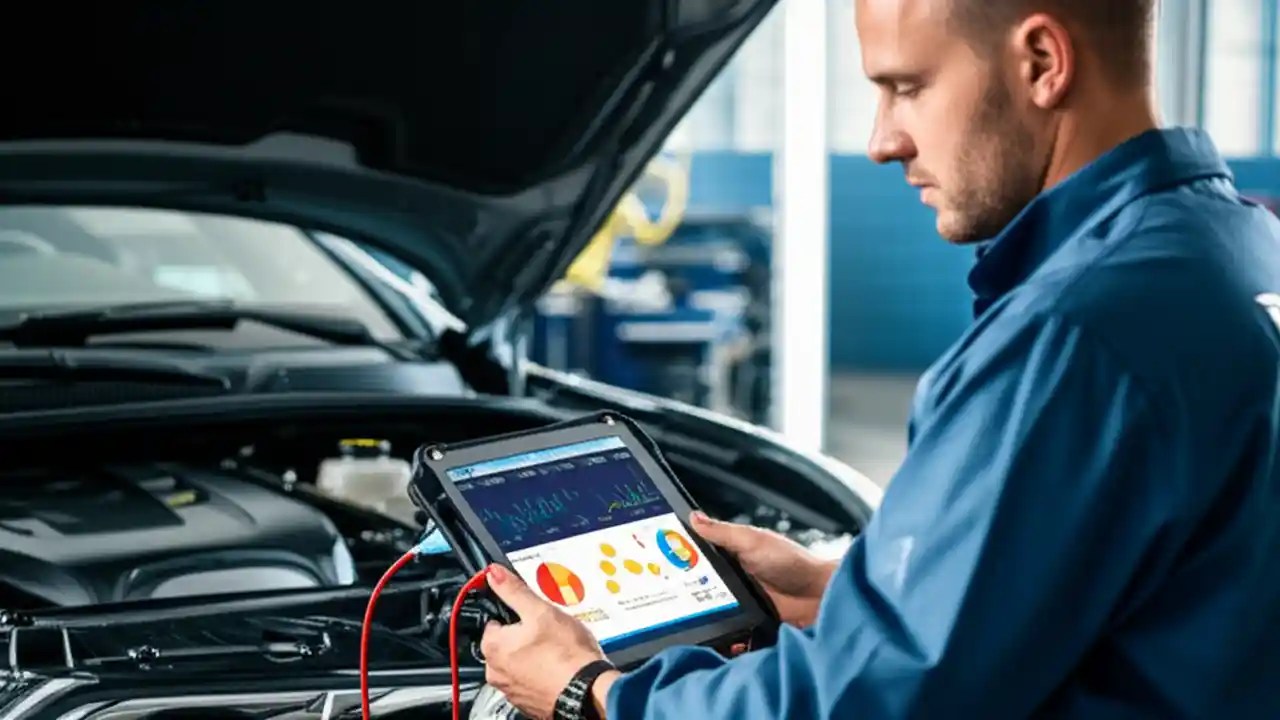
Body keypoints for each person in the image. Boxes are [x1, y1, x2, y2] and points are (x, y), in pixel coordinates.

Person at [479, 0, 1280, 717]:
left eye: (907, 86)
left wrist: (599, 693)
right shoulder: (1240, 246)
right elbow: (1150, 587)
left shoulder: (1073, 332)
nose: (881, 141)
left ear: (1041, 63)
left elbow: (869, 703)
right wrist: (841, 595)